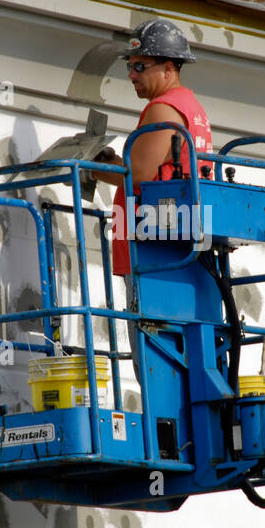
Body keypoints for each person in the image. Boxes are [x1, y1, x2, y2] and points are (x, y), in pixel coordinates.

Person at [86, 19, 213, 376]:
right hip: (181, 245)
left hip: (152, 249)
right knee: (185, 362)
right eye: (129, 66)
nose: (132, 74)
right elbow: (156, 169)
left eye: (140, 66)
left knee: (154, 365)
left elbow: (138, 178)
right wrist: (113, 163)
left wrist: (91, 168)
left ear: (169, 68)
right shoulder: (192, 108)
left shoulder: (162, 109)